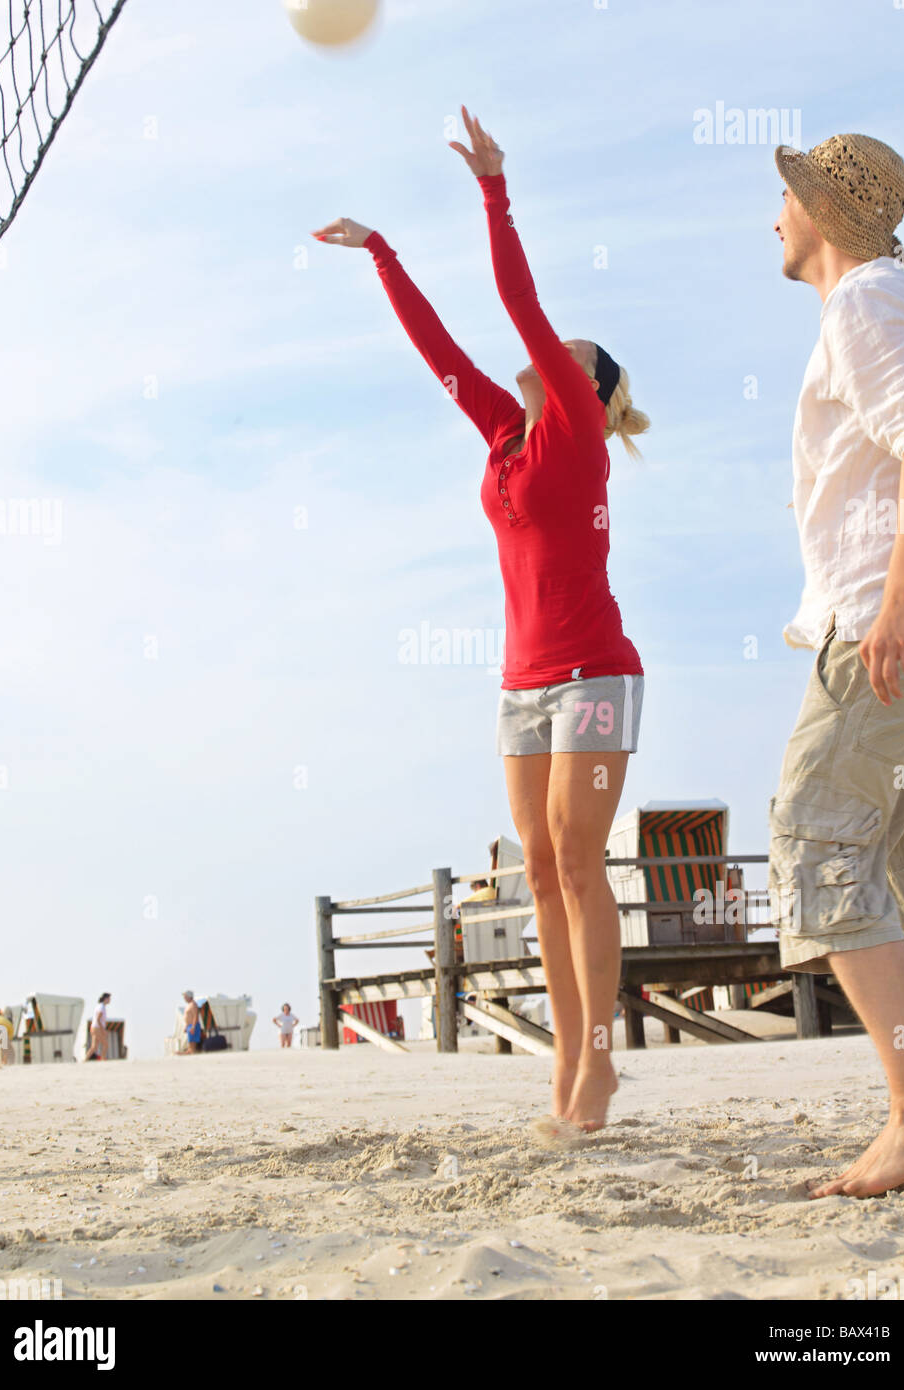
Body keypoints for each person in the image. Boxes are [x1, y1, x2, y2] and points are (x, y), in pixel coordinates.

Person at [312, 107, 648, 1132]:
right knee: (537, 869)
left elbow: (514, 299)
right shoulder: (505, 434)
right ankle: (562, 1073)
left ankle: (596, 1068)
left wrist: (494, 189)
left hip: (595, 672)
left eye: (566, 346)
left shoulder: (577, 431)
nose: (546, 346)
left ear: (583, 384)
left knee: (575, 855)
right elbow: (441, 350)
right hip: (520, 682)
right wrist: (382, 254)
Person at [771, 133, 904, 1197]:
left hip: (891, 630)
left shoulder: (864, 301)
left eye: (782, 201)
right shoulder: (897, 297)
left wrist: (893, 597)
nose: (772, 218)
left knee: (812, 838)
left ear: (821, 211)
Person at [86, 992, 111, 1060]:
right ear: (105, 999)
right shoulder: (101, 1007)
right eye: (109, 998)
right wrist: (103, 1030)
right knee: (105, 1044)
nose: (110, 1000)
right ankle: (102, 1059)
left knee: (94, 1047)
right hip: (97, 1028)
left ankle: (85, 1060)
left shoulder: (99, 1006)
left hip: (94, 1027)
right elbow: (98, 1019)